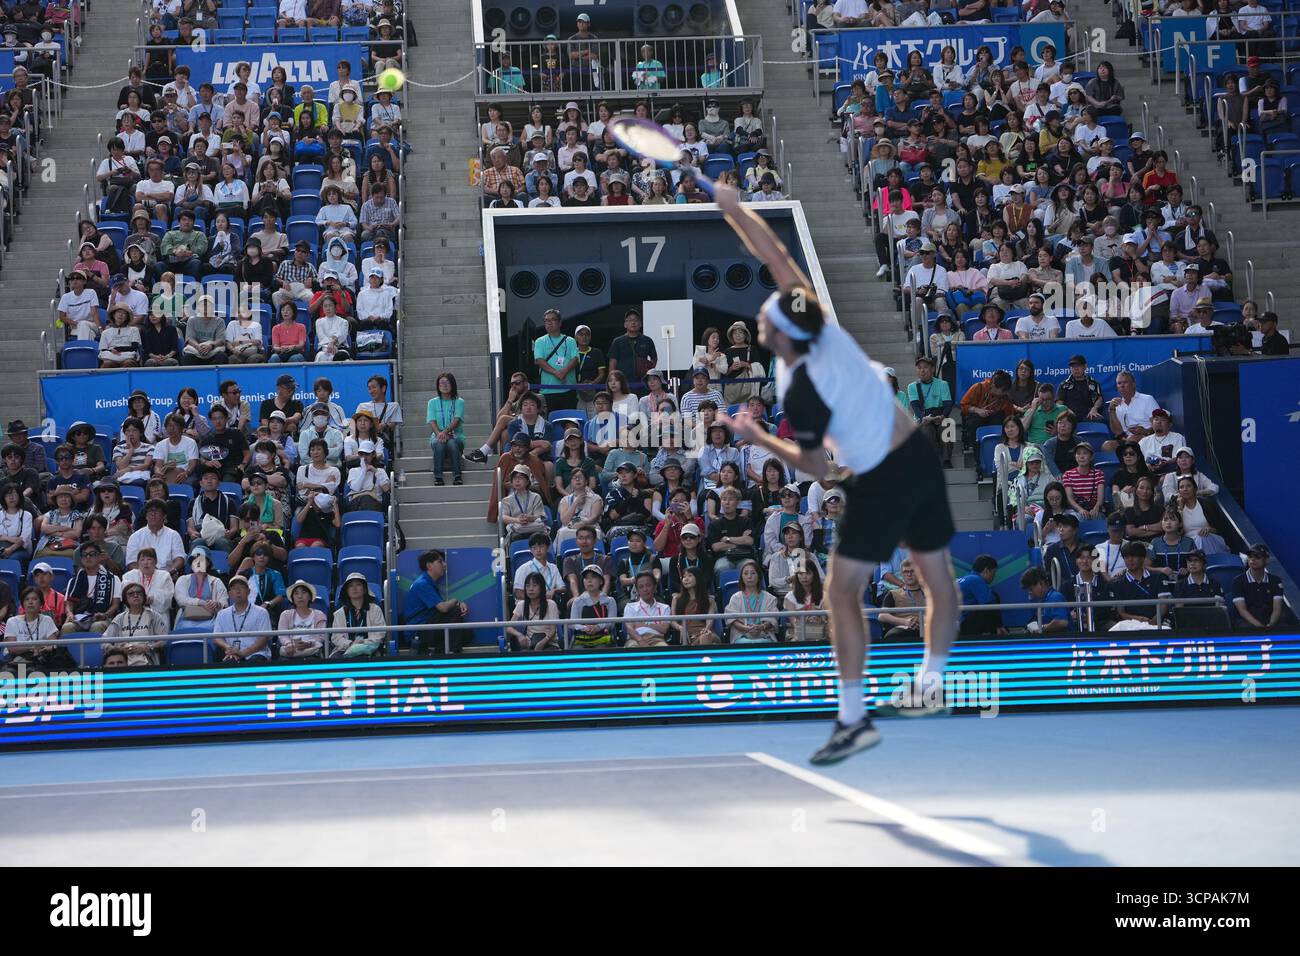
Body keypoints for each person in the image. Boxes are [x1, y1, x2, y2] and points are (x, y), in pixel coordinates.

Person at [714, 182, 958, 763]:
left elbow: (819, 468)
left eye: (768, 322)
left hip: (882, 477)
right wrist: (733, 210)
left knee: (841, 591)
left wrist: (756, 437)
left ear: (780, 337)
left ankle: (853, 719)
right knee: (937, 580)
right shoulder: (821, 327)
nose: (763, 319)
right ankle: (932, 679)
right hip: (918, 457)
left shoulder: (800, 391)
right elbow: (774, 255)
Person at [210, 575, 272, 662]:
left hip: (256, 653)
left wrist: (243, 653)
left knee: (256, 661)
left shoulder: (261, 612)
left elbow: (263, 640)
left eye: (242, 587)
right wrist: (229, 648)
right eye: (234, 588)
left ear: (248, 591)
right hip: (232, 654)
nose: (238, 591)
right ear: (229, 593)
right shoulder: (222, 614)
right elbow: (217, 638)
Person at [1108, 542, 1162, 628]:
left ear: (1142, 558)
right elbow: (1121, 613)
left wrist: (1154, 621)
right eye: (1126, 557)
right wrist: (1139, 620)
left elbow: (1164, 604)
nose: (1130, 560)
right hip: (1131, 624)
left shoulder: (1157, 577)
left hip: (1158, 623)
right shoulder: (1117, 583)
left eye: (1133, 556)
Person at [1019, 567, 1069, 634]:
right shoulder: (1042, 601)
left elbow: (1062, 622)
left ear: (1041, 584)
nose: (1029, 592)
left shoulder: (1055, 597)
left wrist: (1041, 628)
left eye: (1031, 589)